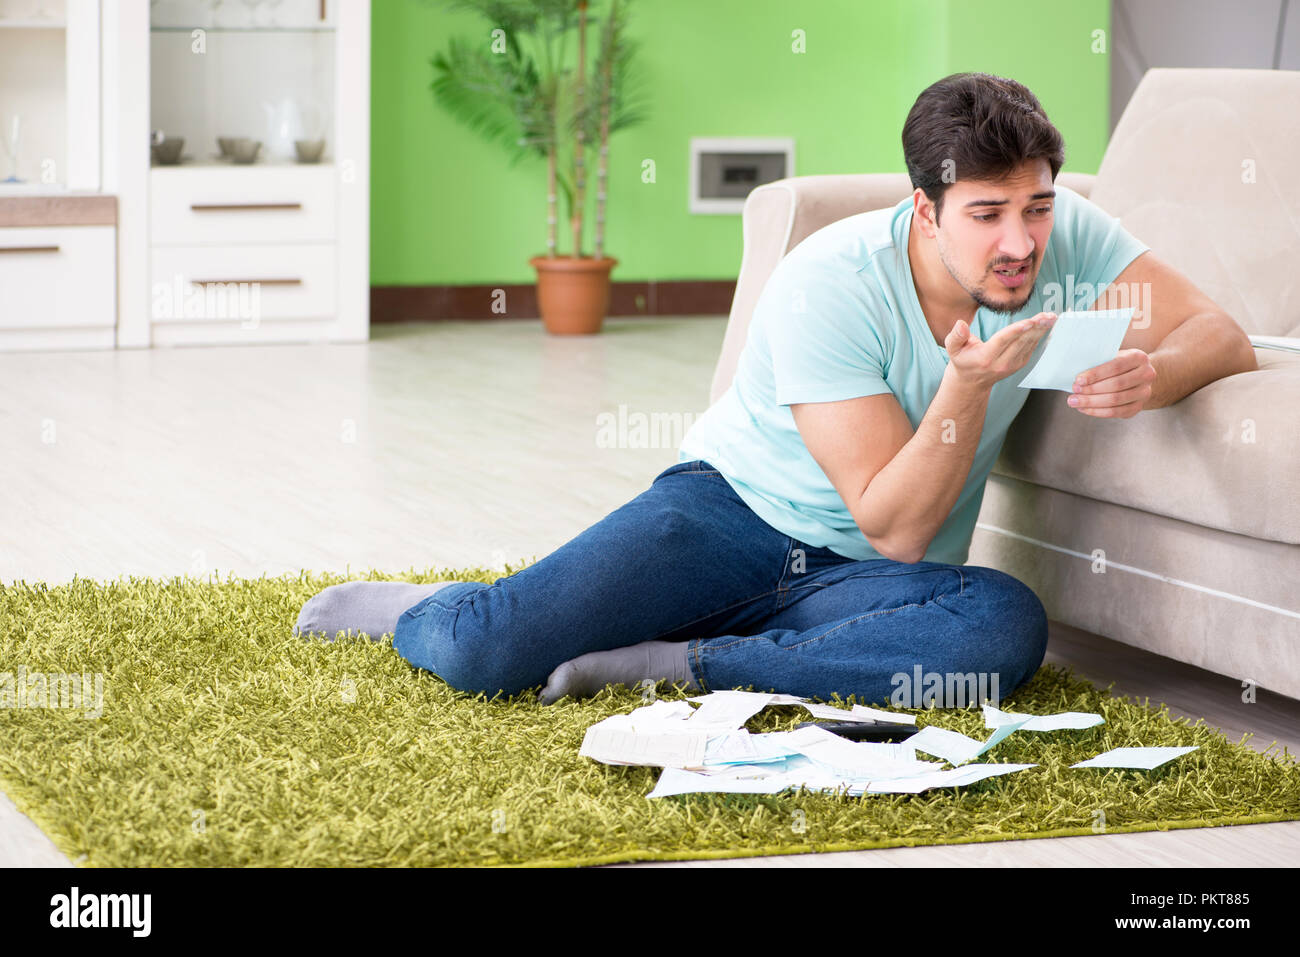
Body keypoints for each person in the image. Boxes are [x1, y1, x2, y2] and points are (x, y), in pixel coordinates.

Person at [294, 72, 1256, 707]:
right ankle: (445, 605)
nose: (1022, 242)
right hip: (729, 522)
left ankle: (683, 662)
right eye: (988, 214)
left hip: (858, 588)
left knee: (1003, 627)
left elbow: (1221, 332)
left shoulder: (1065, 232)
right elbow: (896, 520)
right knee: (485, 658)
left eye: (1038, 207)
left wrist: (1156, 371)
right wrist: (965, 391)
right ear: (924, 209)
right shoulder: (828, 284)